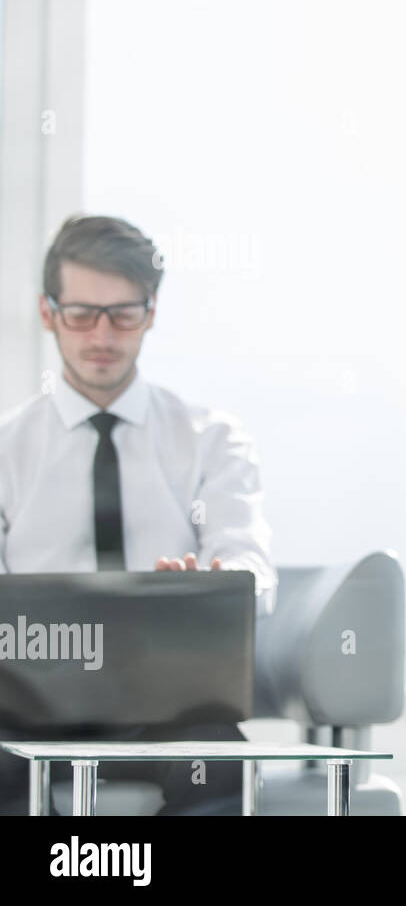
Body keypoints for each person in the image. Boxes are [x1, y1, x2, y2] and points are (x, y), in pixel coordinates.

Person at [0, 214, 276, 815]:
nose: (102, 333)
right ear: (48, 313)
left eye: (123, 313)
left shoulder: (211, 439)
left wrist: (212, 586)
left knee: (218, 763)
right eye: (80, 313)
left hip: (170, 707)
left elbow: (248, 559)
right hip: (23, 708)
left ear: (150, 312)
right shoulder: (6, 450)